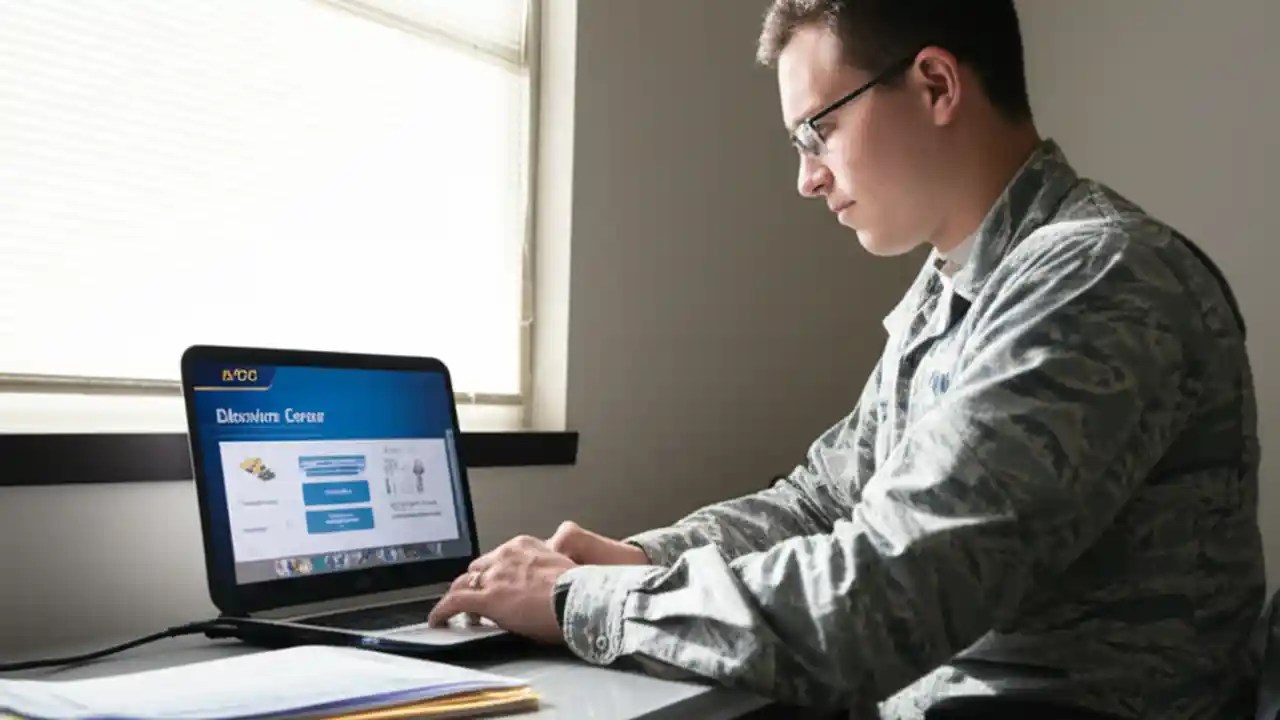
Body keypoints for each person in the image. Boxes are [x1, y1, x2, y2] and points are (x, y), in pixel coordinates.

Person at [428, 1, 1267, 717]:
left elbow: (881, 597)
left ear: (936, 85)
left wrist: (579, 601)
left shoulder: (1095, 276)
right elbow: (824, 499)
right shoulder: (955, 290)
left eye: (816, 130)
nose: (807, 178)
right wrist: (649, 558)